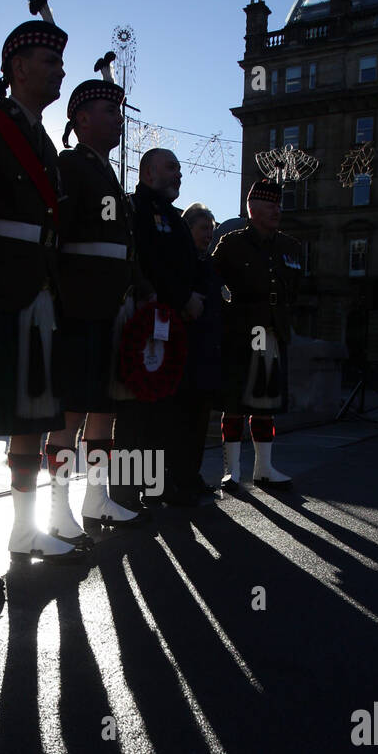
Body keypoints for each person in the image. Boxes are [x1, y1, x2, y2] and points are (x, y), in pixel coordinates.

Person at [0, 0, 82, 567]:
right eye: (49, 61)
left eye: (61, 62)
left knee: (33, 416)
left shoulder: (46, 143)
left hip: (39, 292)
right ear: (18, 66)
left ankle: (23, 530)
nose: (59, 72)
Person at [44, 53, 149, 540]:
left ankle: (96, 498)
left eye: (120, 111)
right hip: (79, 307)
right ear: (81, 118)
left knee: (105, 407)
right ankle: (57, 508)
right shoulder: (70, 167)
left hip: (109, 311)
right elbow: (56, 237)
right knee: (71, 410)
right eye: (109, 111)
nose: (118, 120)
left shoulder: (107, 175)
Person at [112, 148, 204, 509]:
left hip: (173, 325)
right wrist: (183, 297)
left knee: (161, 410)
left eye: (180, 168)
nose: (178, 174)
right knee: (135, 412)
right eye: (171, 167)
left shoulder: (175, 217)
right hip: (144, 318)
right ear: (149, 171)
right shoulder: (136, 208)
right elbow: (148, 260)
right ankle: (124, 494)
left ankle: (153, 487)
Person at [212, 177, 302, 490]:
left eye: (278, 204)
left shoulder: (290, 246)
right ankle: (231, 472)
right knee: (234, 403)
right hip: (241, 331)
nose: (277, 209)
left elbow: (299, 289)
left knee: (267, 406)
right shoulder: (232, 243)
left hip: (274, 331)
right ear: (252, 208)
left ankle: (264, 469)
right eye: (269, 204)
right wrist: (226, 316)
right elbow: (211, 283)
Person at [178, 202, 223, 499]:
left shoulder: (209, 263)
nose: (209, 234)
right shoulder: (183, 263)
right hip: (185, 353)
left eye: (211, 229)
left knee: (198, 421)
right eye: (203, 228)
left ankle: (191, 476)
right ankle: (176, 480)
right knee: (181, 422)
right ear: (188, 228)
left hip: (206, 353)